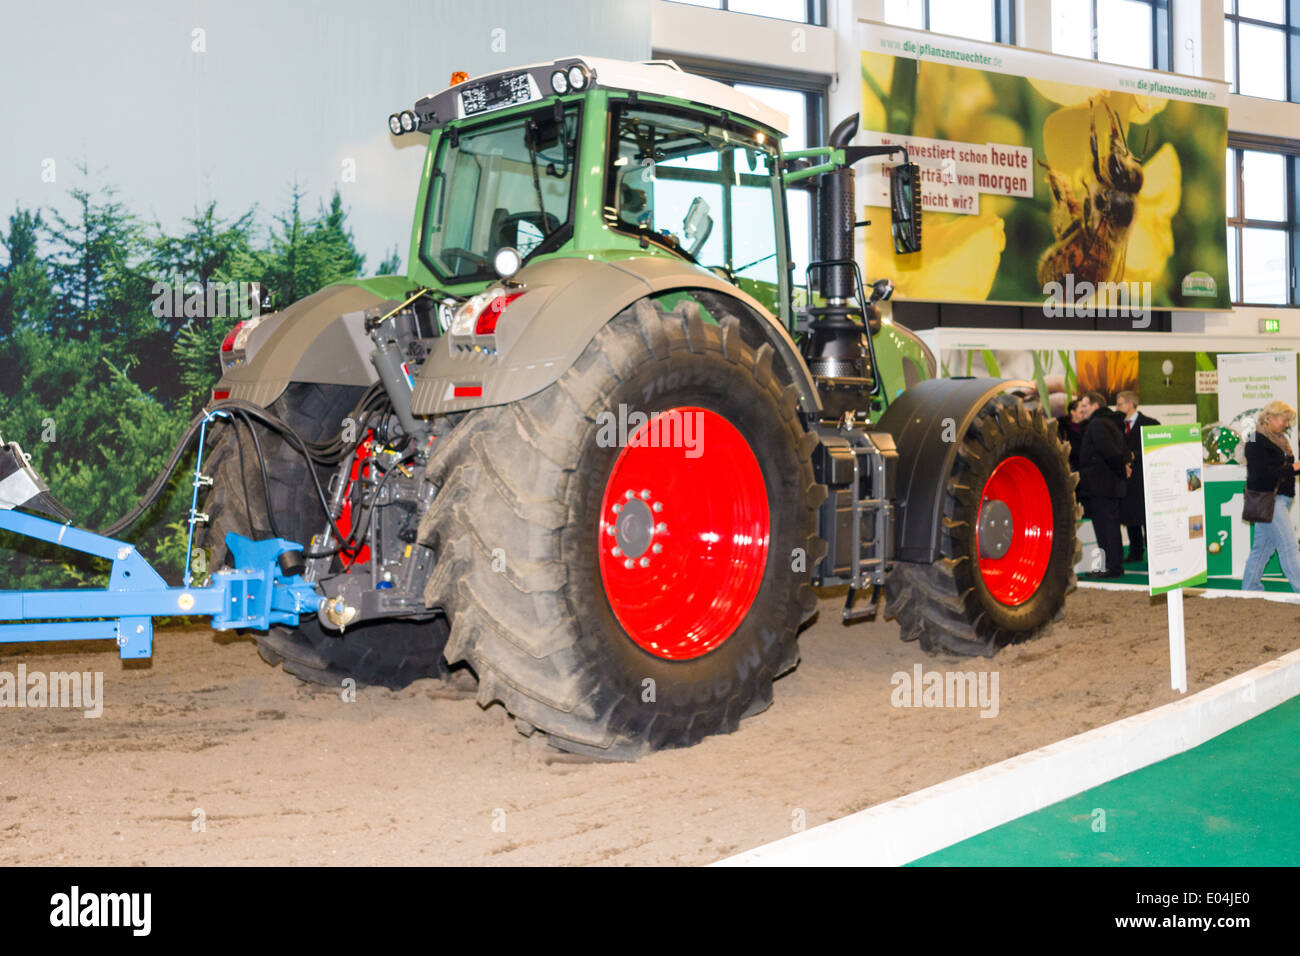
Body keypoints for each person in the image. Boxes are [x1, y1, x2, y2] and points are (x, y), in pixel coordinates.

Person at [1242, 400, 1300, 592]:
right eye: (1285, 420)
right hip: (1270, 500)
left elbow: (1279, 471)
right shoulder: (1254, 439)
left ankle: (1249, 590)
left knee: (1262, 550)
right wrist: (1292, 468)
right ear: (1270, 417)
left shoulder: (1279, 438)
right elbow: (1260, 473)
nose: (1287, 424)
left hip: (1274, 500)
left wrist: (1293, 469)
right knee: (1289, 548)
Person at [1077, 391, 1129, 578]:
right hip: (1108, 485)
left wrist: (1122, 471)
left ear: (1095, 406)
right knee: (1109, 527)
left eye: (1085, 405)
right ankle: (1111, 565)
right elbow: (1121, 452)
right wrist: (1123, 470)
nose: (1082, 410)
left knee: (1106, 528)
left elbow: (1110, 453)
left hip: (1102, 486)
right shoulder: (1111, 423)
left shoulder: (1098, 425)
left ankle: (1111, 567)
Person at [1116, 390, 1159, 563]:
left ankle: (1154, 554)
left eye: (1119, 404)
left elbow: (1156, 448)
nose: (1117, 408)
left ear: (1130, 404)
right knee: (1130, 516)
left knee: (1148, 518)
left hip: (1146, 479)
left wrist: (1135, 455)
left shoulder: (1150, 424)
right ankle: (1135, 552)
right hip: (1126, 481)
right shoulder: (1116, 426)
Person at [1057, 399, 1083, 477]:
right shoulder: (1061, 427)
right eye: (1081, 407)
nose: (1084, 410)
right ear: (1072, 412)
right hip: (1069, 469)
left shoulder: (1089, 426)